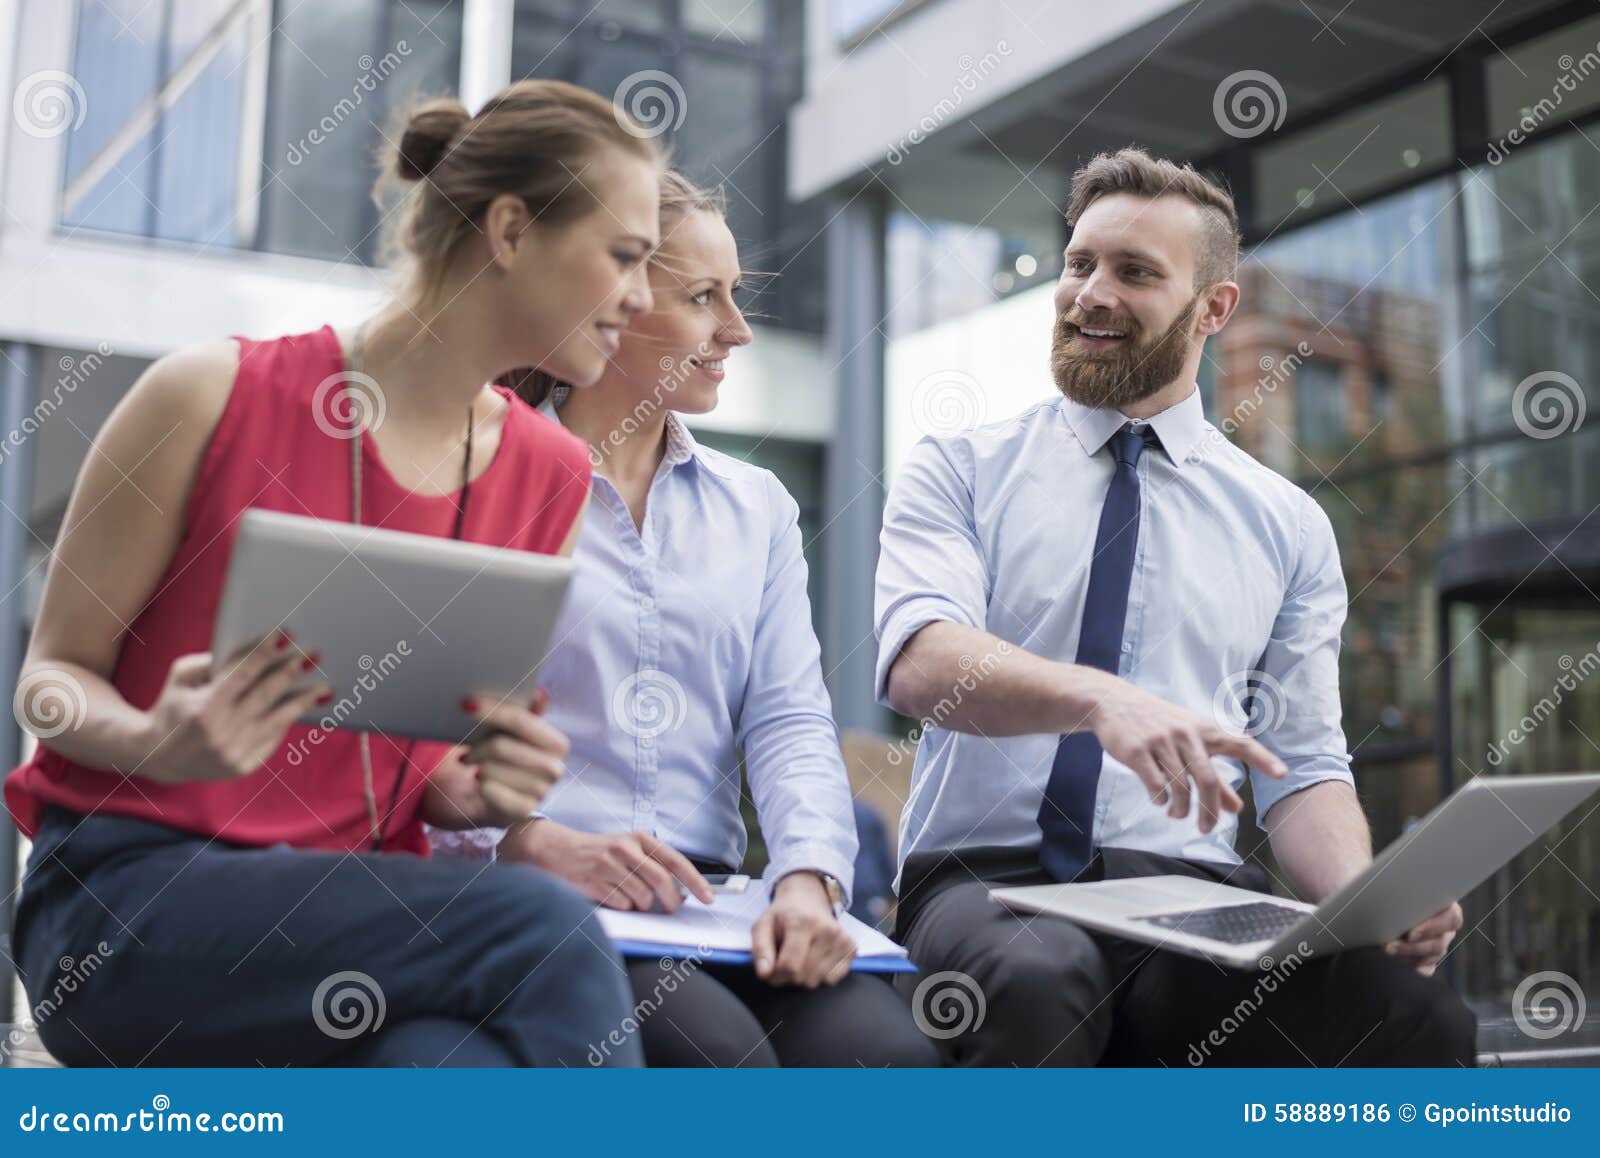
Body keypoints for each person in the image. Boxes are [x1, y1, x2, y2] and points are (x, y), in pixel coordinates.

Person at [5, 80, 666, 1067]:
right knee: (543, 927)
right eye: (624, 257)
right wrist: (152, 741)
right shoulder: (206, 395)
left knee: (453, 1072)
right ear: (511, 230)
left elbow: (416, 760)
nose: (641, 299)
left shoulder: (548, 472)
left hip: (355, 920)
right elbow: (46, 685)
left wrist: (476, 790)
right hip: (126, 905)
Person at [875, 147, 1477, 1067]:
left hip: (1191, 896)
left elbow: (1302, 764)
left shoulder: (1287, 525)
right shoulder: (959, 468)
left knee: (1414, 1014)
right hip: (989, 885)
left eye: (1135, 273)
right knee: (1040, 981)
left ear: (1214, 310)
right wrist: (1097, 698)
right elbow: (922, 663)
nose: (1091, 294)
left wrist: (1368, 906)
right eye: (1080, 264)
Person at [433, 172, 938, 1068]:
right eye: (704, 298)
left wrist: (810, 884)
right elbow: (417, 726)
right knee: (717, 1055)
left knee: (885, 1057)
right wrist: (525, 842)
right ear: (612, 302)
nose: (736, 330)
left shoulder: (759, 509)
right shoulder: (479, 476)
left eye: (735, 297)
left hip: (710, 904)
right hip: (544, 896)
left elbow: (789, 723)